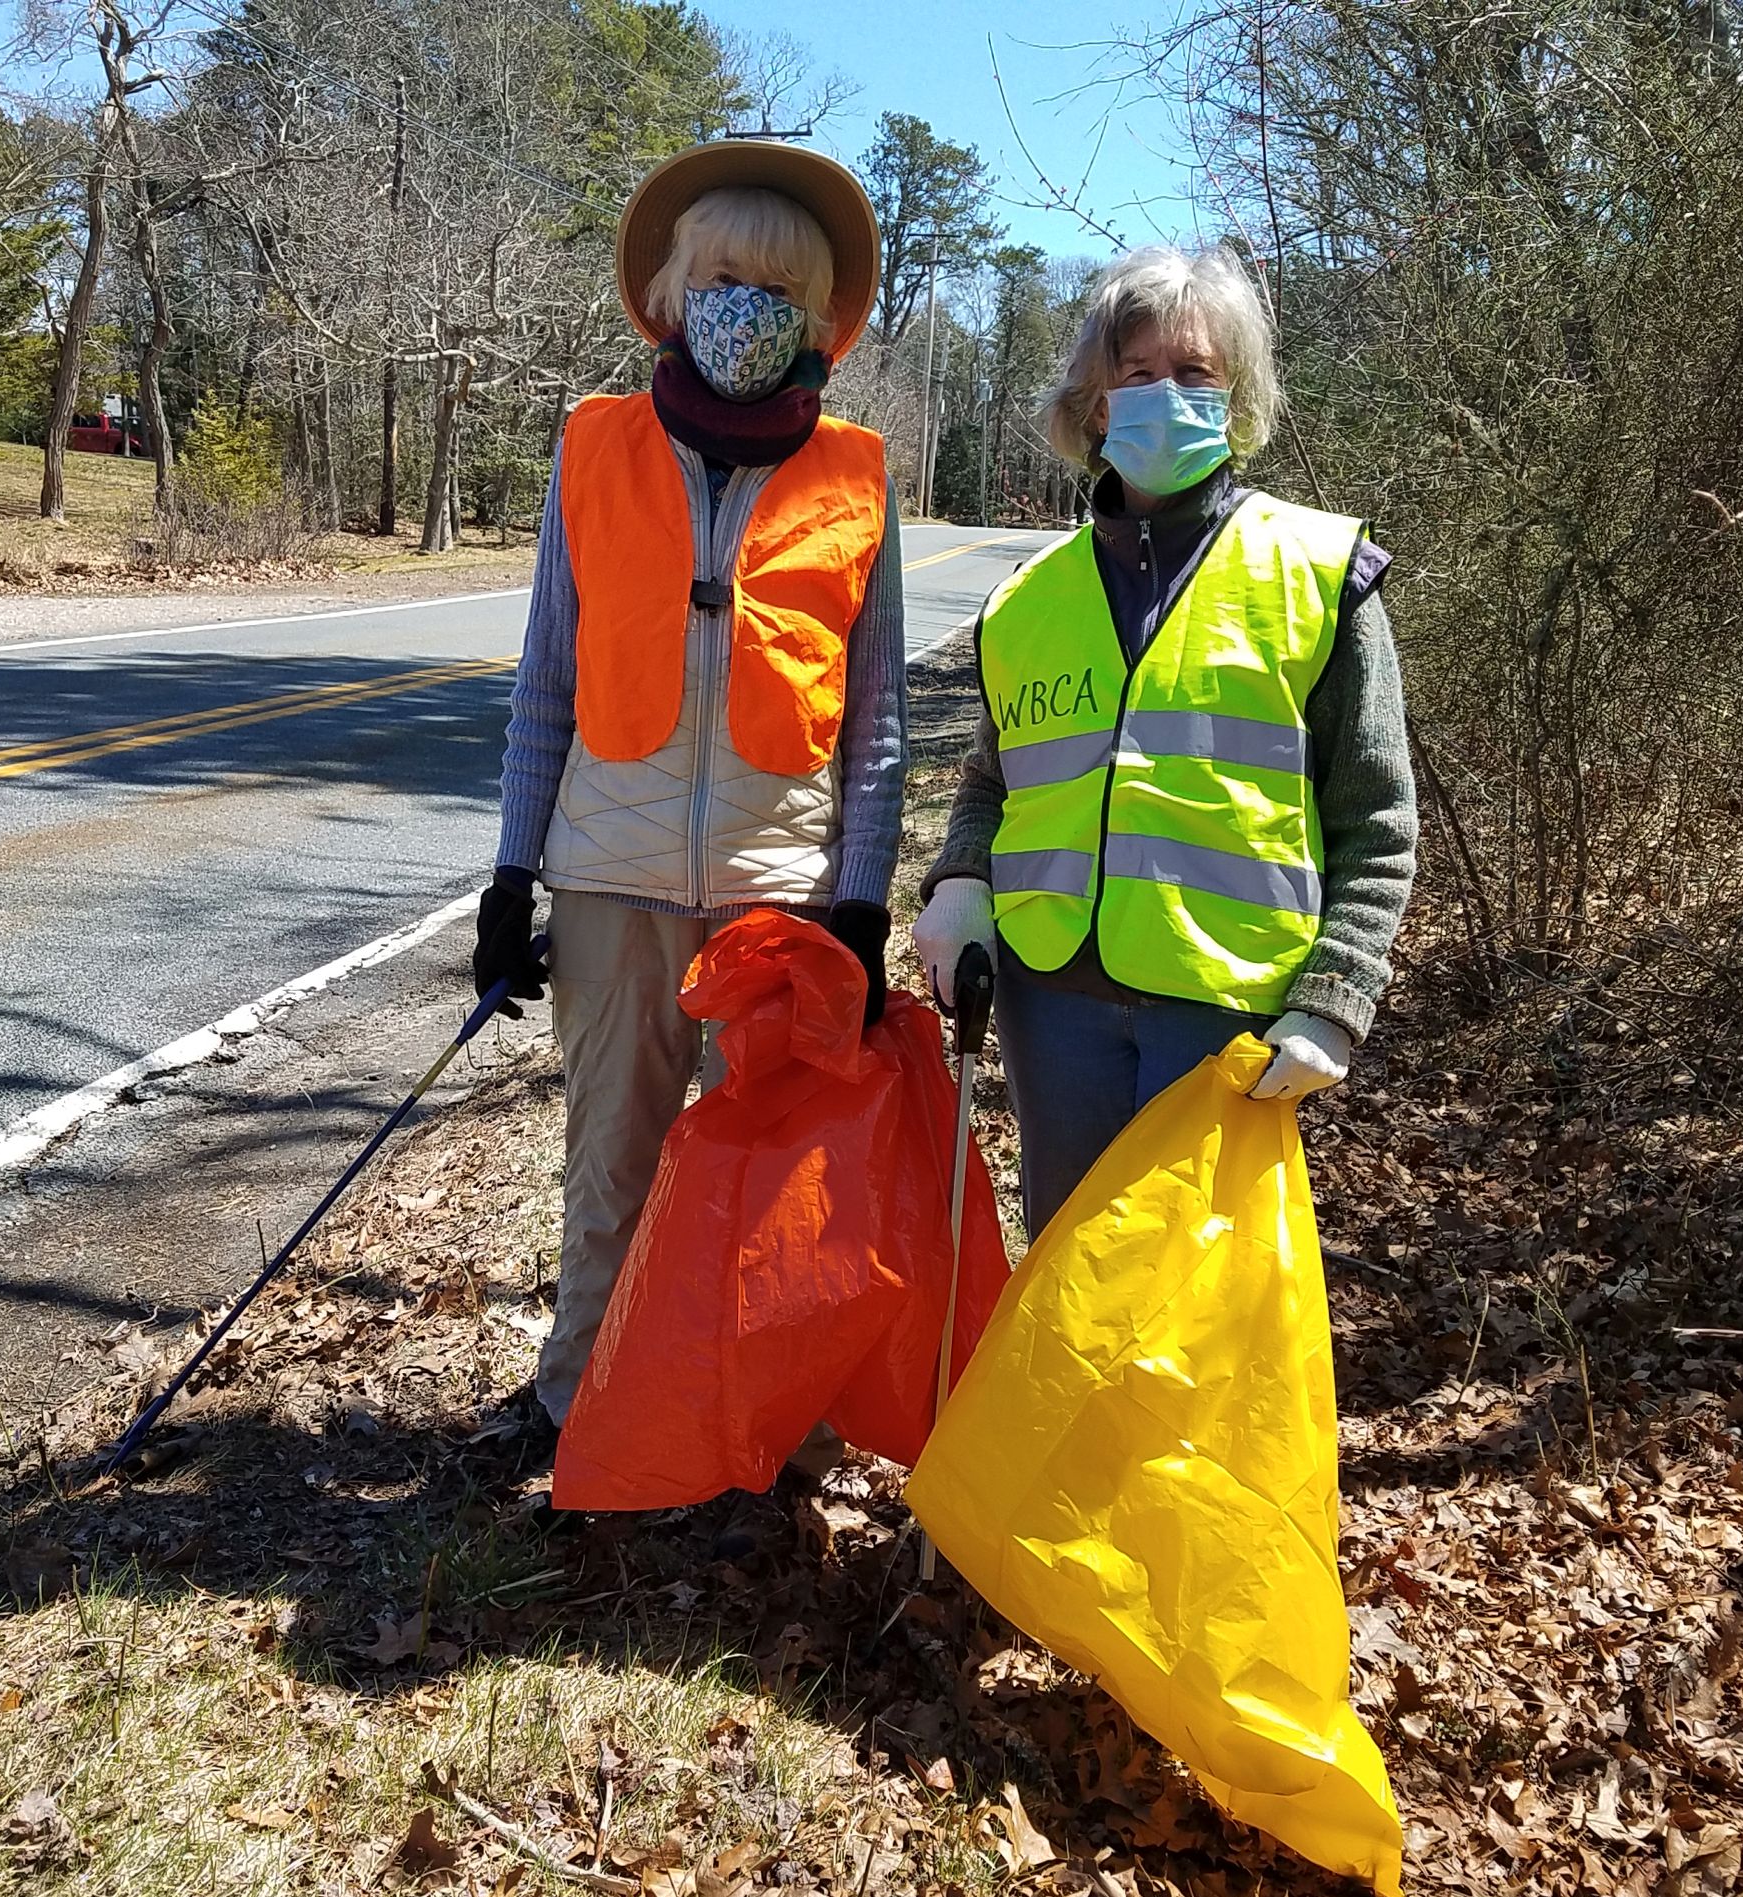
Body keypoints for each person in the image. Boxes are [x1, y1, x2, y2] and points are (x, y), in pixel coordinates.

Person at [474, 141, 905, 1424]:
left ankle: (763, 1434)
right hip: (610, 891)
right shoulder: (593, 451)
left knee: (775, 1192)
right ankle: (588, 1418)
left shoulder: (856, 476)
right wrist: (510, 879)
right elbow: (544, 689)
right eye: (720, 279)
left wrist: (862, 902)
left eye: (777, 289)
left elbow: (876, 722)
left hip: (783, 905)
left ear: (818, 317)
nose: (743, 309)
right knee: (610, 1174)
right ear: (669, 291)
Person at [912, 245, 1416, 1239]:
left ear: (1236, 397)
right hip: (1050, 1005)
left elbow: (1376, 816)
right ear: (1095, 405)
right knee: (1066, 1268)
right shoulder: (1027, 601)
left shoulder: (1319, 573)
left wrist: (1336, 994)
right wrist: (960, 881)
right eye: (1136, 372)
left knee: (1190, 1293)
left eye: (1193, 371)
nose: (1164, 393)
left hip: (1226, 1013)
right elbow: (989, 782)